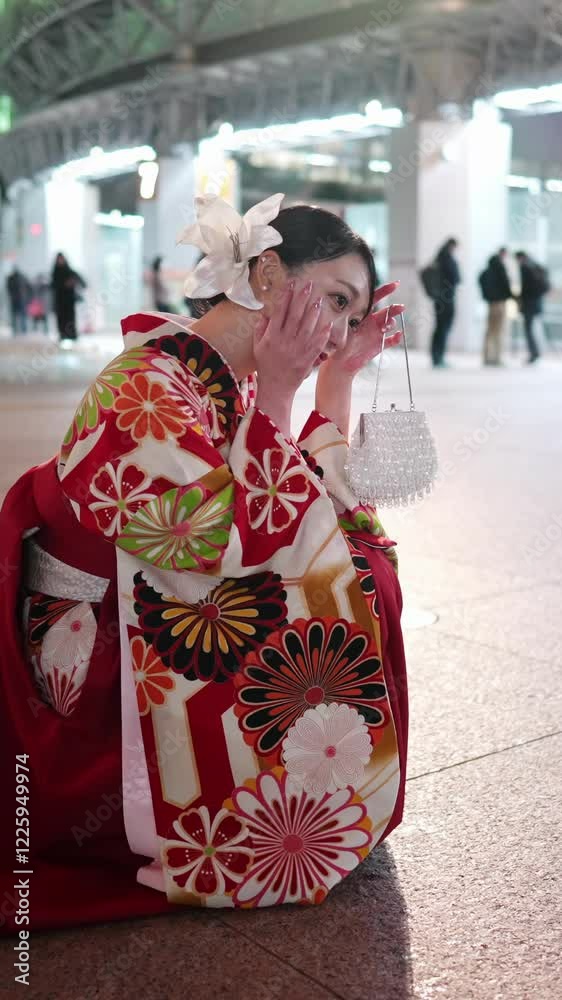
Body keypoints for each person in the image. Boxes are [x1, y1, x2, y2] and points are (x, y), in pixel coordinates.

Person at [0, 196, 408, 930]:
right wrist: (282, 390)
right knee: (350, 587)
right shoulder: (144, 384)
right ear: (269, 272)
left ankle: (313, 791)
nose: (342, 329)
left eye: (355, 316)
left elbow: (316, 496)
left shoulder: (225, 377)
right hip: (109, 649)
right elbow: (229, 545)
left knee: (362, 566)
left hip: (160, 602)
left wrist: (338, 375)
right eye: (337, 302)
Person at [479, 247, 513, 366]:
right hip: (500, 303)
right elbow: (506, 285)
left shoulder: (485, 272)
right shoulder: (500, 269)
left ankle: (487, 357)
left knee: (489, 331)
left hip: (490, 304)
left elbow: (481, 284)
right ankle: (497, 358)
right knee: (499, 331)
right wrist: (510, 296)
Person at [430, 237, 461, 368]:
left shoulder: (438, 259)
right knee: (443, 328)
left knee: (439, 328)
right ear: (452, 246)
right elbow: (456, 278)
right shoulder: (447, 259)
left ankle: (437, 356)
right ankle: (439, 357)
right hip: (446, 299)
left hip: (439, 299)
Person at [515, 250, 549, 364]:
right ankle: (535, 352)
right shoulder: (536, 266)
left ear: (520, 258)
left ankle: (534, 353)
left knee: (528, 330)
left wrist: (518, 299)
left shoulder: (525, 268)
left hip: (528, 304)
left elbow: (524, 288)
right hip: (537, 303)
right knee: (532, 329)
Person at [51, 252, 86, 341]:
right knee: (61, 319)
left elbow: (83, 283)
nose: (60, 261)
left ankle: (72, 336)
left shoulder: (70, 272)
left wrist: (73, 283)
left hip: (69, 301)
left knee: (70, 319)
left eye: (61, 259)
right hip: (59, 300)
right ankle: (63, 336)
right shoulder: (55, 273)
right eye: (59, 259)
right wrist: (64, 284)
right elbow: (53, 286)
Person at [5, 266, 31, 335]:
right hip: (18, 299)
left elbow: (28, 287)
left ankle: (20, 329)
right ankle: (20, 330)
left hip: (19, 299)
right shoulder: (21, 277)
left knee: (19, 315)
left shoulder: (13, 277)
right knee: (19, 315)